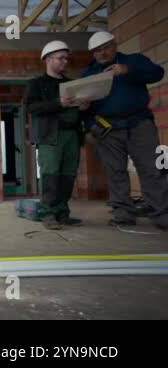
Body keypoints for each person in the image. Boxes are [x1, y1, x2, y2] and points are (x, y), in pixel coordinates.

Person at [82, 31, 167, 229]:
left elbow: (157, 73)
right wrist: (90, 124)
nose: (102, 53)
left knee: (152, 169)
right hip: (108, 129)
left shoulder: (134, 61)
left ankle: (162, 214)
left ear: (114, 45)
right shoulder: (88, 75)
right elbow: (83, 108)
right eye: (96, 51)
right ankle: (123, 215)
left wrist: (128, 70)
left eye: (105, 48)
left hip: (140, 124)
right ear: (93, 54)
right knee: (115, 172)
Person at [25, 40, 89, 230]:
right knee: (50, 176)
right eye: (60, 58)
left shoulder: (72, 84)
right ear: (47, 59)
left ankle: (62, 213)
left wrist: (84, 107)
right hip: (50, 137)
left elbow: (77, 110)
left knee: (68, 176)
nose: (65, 62)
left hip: (72, 135)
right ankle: (48, 214)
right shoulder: (36, 84)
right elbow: (32, 107)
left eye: (66, 59)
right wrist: (58, 103)